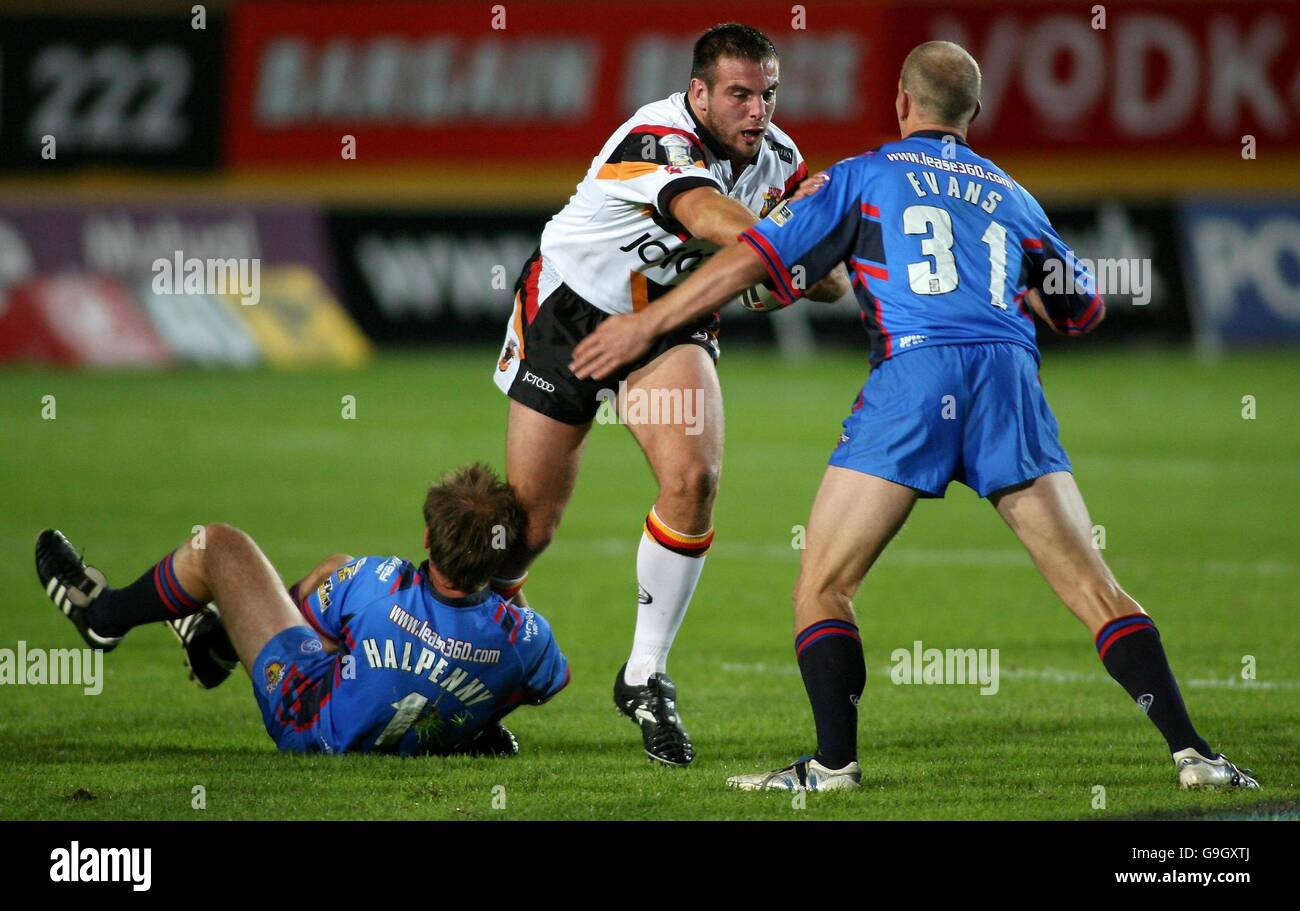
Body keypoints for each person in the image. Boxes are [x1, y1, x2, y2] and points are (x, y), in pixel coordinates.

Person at [569, 41, 1258, 793]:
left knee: (824, 585)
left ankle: (832, 766)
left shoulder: (865, 175)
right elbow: (1084, 309)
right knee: (1095, 587)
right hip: (1008, 382)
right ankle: (1196, 754)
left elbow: (752, 260)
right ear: (975, 114)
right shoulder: (1011, 192)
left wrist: (645, 325)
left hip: (917, 376)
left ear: (903, 101)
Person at [490, 22, 849, 766]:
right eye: (740, 95)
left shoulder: (778, 160)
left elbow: (830, 281)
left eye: (769, 95)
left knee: (694, 477)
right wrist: (793, 231)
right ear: (699, 94)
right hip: (568, 309)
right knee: (526, 527)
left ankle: (645, 675)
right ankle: (481, 677)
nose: (758, 111)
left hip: (664, 321)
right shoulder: (658, 137)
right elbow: (708, 218)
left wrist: (805, 243)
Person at [36, 463, 569, 756]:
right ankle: (215, 646)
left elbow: (307, 619)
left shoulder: (377, 582)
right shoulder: (528, 639)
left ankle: (104, 618)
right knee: (344, 580)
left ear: (428, 539)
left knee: (219, 545)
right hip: (414, 720)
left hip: (309, 720)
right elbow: (544, 682)